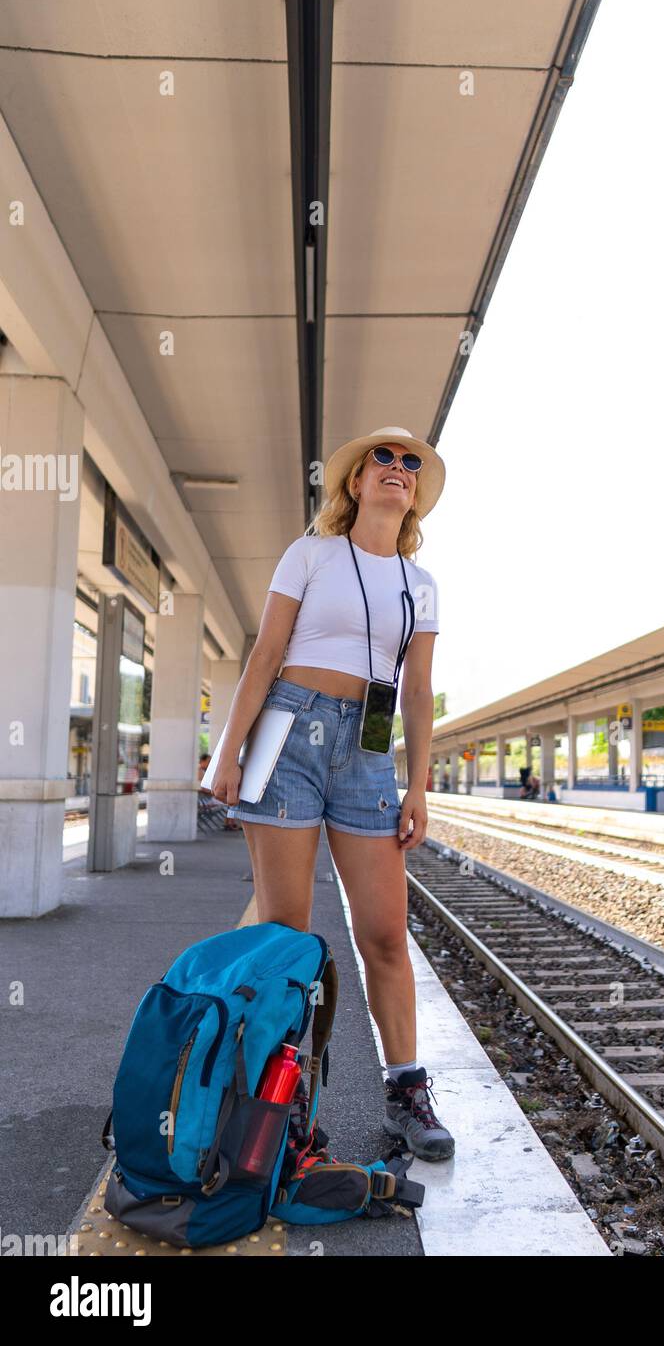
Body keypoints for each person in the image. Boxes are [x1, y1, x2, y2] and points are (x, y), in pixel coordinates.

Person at [208, 426, 453, 1162]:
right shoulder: (309, 553)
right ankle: (277, 1103)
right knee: (289, 931)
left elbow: (417, 688)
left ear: (415, 495)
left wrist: (419, 783)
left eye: (411, 463)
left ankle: (406, 1091)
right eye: (384, 457)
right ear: (355, 481)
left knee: (383, 929)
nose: (399, 469)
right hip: (289, 729)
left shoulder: (422, 585)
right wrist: (228, 752)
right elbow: (265, 653)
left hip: (369, 749)